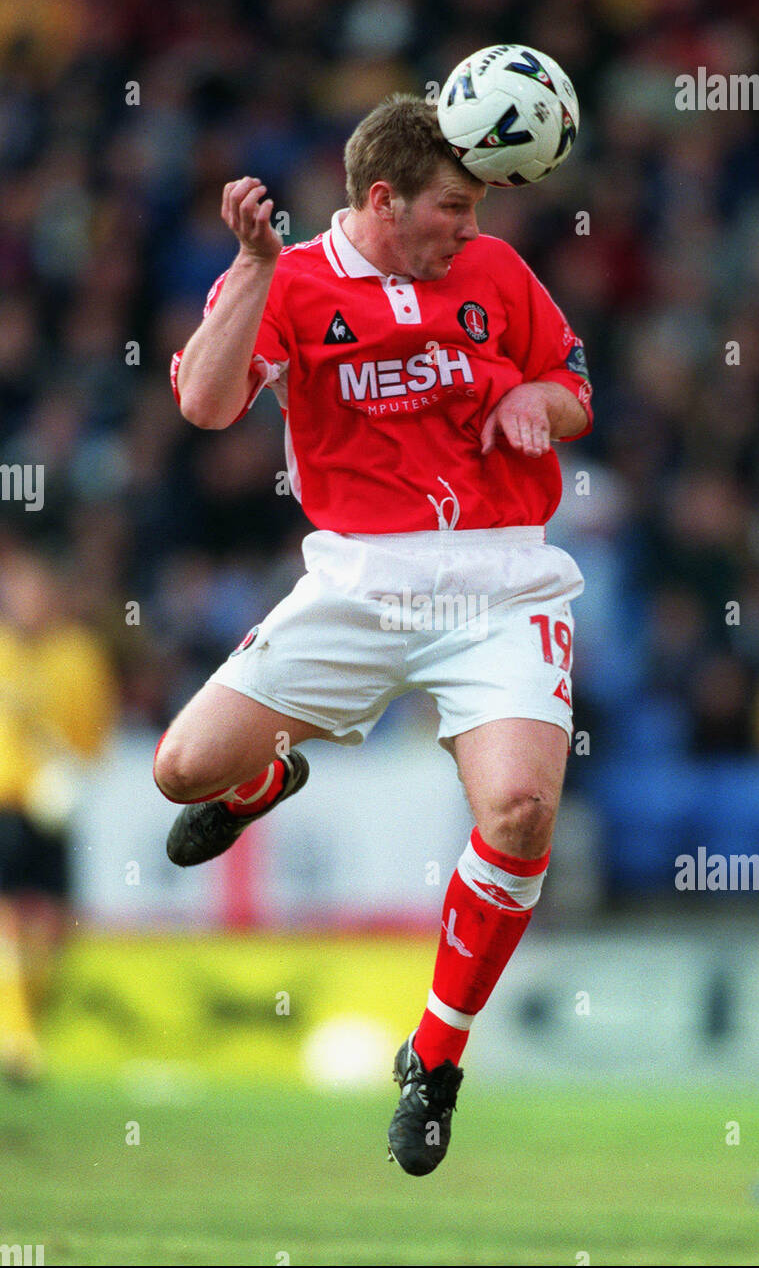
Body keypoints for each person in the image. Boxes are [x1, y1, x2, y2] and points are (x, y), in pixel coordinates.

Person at [154, 94, 593, 1175]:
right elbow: (207, 408)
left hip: (500, 572)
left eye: (479, 202)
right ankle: (259, 781)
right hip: (358, 575)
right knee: (180, 769)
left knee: (521, 808)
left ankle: (435, 1055)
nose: (471, 226)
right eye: (453, 205)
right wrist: (253, 265)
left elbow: (576, 388)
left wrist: (538, 401)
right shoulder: (289, 282)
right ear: (383, 200)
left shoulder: (494, 274)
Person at [0, 544, 117, 1083]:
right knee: (6, 919)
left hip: (54, 808)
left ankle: (28, 1024)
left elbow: (95, 735)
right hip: (5, 802)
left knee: (53, 924)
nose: (26, 600)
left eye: (35, 590)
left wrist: (70, 776)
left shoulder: (79, 654)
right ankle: (15, 1039)